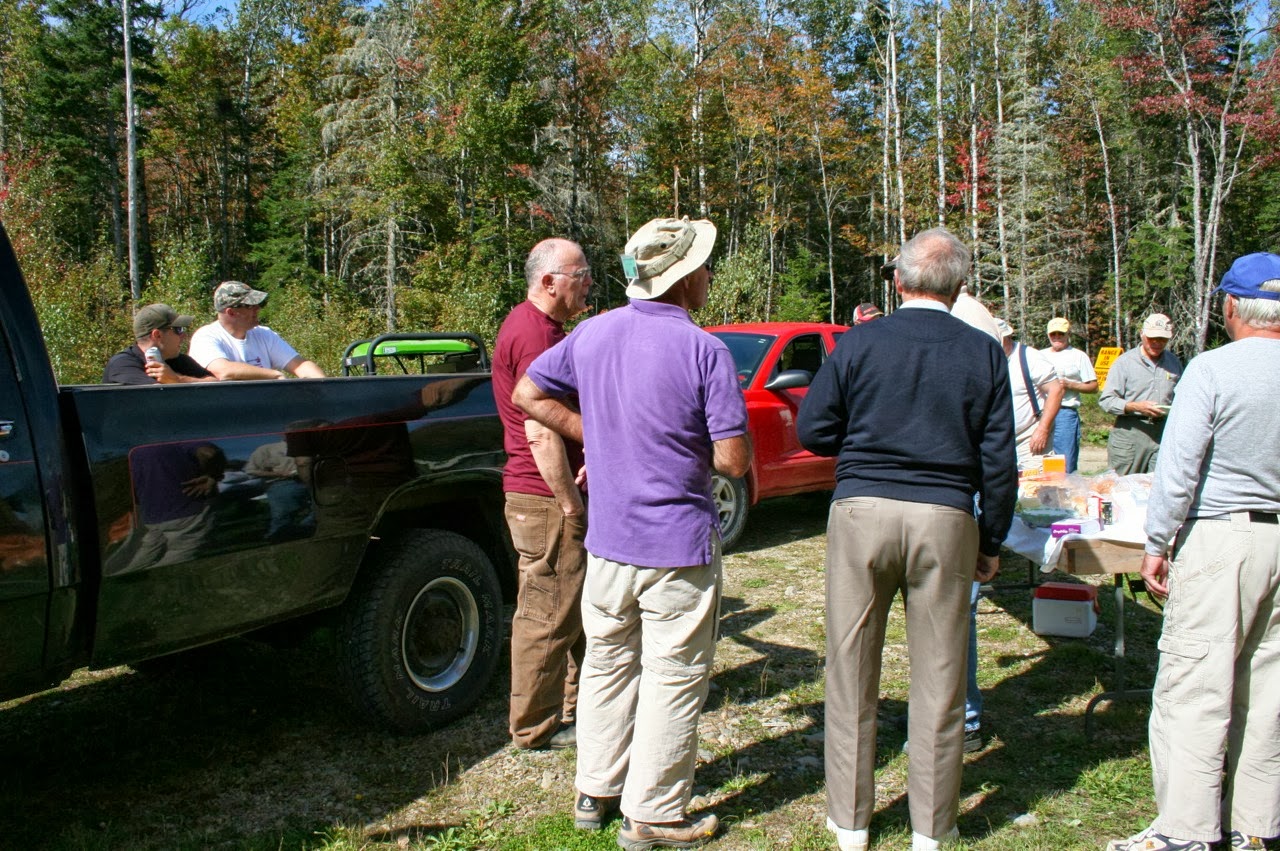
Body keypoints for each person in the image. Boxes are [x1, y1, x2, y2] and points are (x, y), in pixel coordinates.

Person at [513, 216, 750, 850]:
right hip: (677, 544)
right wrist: (609, 435)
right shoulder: (706, 349)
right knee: (673, 675)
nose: (707, 275)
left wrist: (596, 431)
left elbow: (527, 392)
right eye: (701, 266)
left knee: (606, 668)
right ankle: (655, 815)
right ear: (683, 278)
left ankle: (595, 791)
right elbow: (732, 462)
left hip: (608, 545)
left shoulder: (591, 333)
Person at [798, 227, 1016, 851]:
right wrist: (991, 540)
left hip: (862, 511)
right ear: (960, 287)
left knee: (850, 666)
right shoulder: (982, 352)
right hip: (945, 517)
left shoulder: (861, 341)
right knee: (942, 676)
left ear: (897, 281)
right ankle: (930, 829)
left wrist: (867, 448)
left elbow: (814, 427)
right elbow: (999, 460)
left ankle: (851, 823)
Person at [1106, 252, 1280, 851]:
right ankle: (1254, 826)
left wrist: (1157, 543)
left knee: (1194, 685)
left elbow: (1178, 469)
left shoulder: (1209, 369)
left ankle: (1186, 829)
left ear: (1230, 306)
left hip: (1222, 536)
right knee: (1269, 689)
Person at [492, 238, 591, 752]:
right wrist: (570, 504)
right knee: (545, 611)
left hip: (546, 495)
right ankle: (533, 728)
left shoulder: (545, 329)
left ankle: (573, 708)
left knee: (569, 605)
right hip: (545, 495)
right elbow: (539, 429)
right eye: (581, 273)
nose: (589, 283)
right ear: (549, 281)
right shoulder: (535, 334)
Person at [1097, 313, 1182, 475]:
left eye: (1162, 339)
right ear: (1142, 334)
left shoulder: (1174, 363)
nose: (1157, 343)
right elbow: (1106, 401)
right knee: (1121, 488)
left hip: (1162, 433)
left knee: (1156, 487)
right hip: (1130, 433)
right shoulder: (1124, 363)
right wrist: (1134, 406)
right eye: (1152, 338)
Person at [188, 281, 326, 380]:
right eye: (250, 306)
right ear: (231, 312)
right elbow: (223, 371)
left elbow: (300, 365)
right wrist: (274, 375)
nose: (257, 309)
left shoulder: (264, 334)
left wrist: (323, 385)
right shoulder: (206, 337)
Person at [996, 319, 1064, 470]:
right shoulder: (988, 358)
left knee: (1035, 487)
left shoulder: (1030, 357)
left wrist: (1043, 429)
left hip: (1030, 435)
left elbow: (1056, 390)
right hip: (997, 438)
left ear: (1006, 338)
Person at [102, 303, 216, 385]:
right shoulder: (122, 364)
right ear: (157, 335)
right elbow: (156, 395)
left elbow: (216, 384)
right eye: (178, 329)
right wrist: (174, 381)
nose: (184, 336)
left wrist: (178, 380)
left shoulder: (179, 360)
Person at [1042, 317, 1097, 473]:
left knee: (1065, 461)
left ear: (1068, 335)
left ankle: (1066, 494)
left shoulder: (1078, 356)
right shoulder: (1039, 355)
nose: (1057, 337)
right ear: (1048, 335)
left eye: (1061, 334)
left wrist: (1070, 384)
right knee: (1041, 458)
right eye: (1054, 334)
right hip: (1041, 412)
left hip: (1065, 412)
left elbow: (1093, 387)